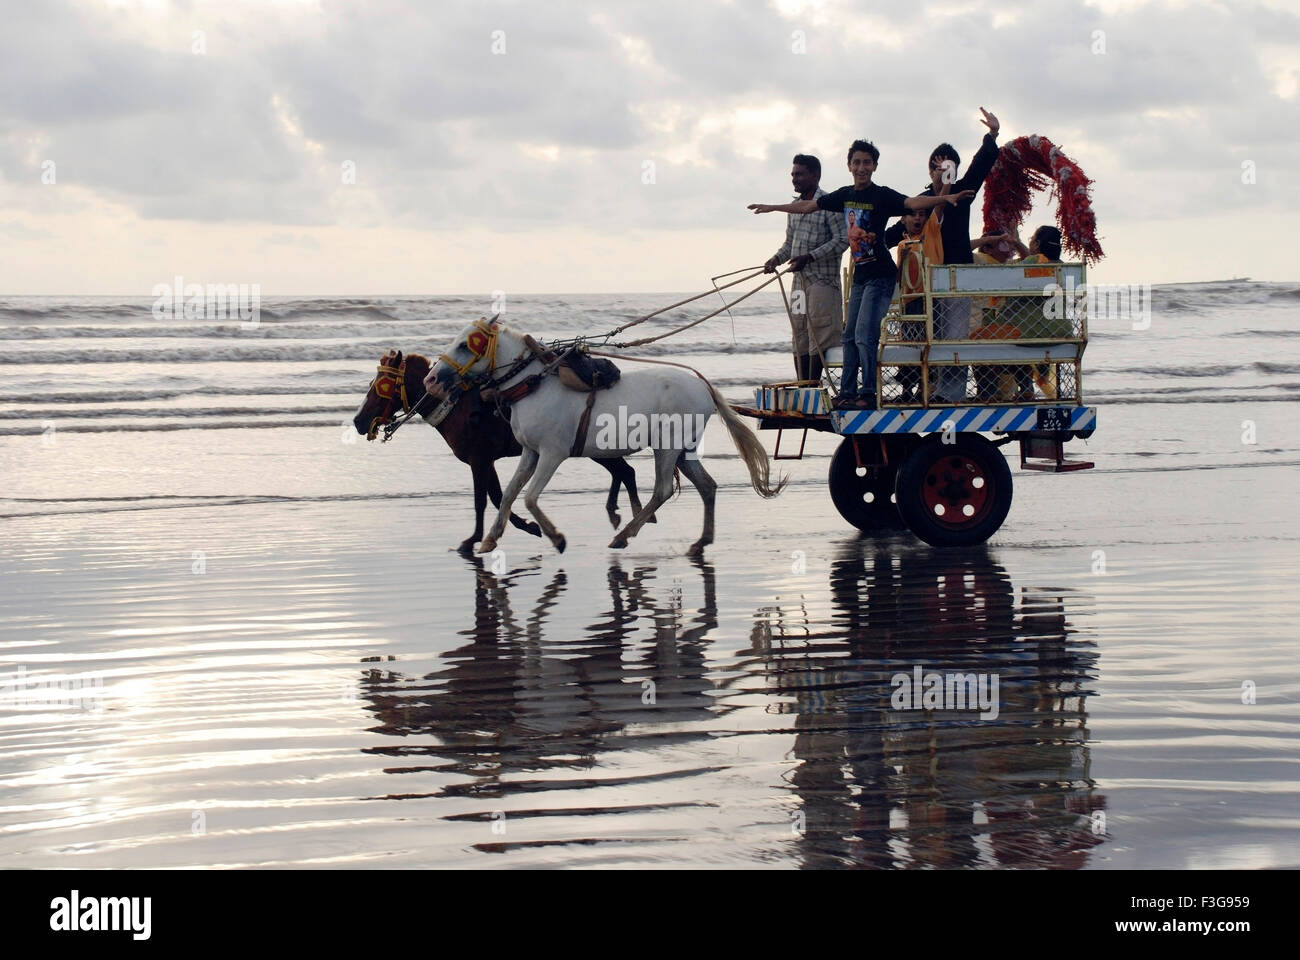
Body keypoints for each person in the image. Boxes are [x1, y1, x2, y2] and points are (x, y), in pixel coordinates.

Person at [750, 140, 973, 409]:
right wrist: (774, 207)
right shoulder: (844, 195)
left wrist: (944, 198)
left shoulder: (881, 195)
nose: (861, 167)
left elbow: (913, 202)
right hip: (861, 276)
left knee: (865, 334)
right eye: (856, 162)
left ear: (874, 166)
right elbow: (807, 207)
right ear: (849, 166)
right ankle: (847, 392)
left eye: (867, 162)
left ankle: (868, 392)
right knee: (849, 337)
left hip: (881, 275)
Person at [886, 108, 1001, 403]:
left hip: (956, 273)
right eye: (938, 168)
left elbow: (983, 164)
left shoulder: (964, 191)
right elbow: (897, 232)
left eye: (950, 167)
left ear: (957, 170)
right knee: (927, 334)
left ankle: (950, 394)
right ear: (930, 170)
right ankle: (926, 389)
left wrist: (992, 135)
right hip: (926, 278)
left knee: (953, 335)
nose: (943, 173)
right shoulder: (921, 199)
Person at [762, 155, 849, 382]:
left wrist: (809, 257)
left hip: (822, 282)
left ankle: (812, 387)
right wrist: (775, 259)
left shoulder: (829, 204)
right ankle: (803, 386)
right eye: (793, 174)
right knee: (799, 332)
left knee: (818, 334)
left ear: (815, 175)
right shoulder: (793, 207)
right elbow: (789, 244)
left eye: (799, 174)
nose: (795, 179)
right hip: (799, 283)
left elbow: (843, 240)